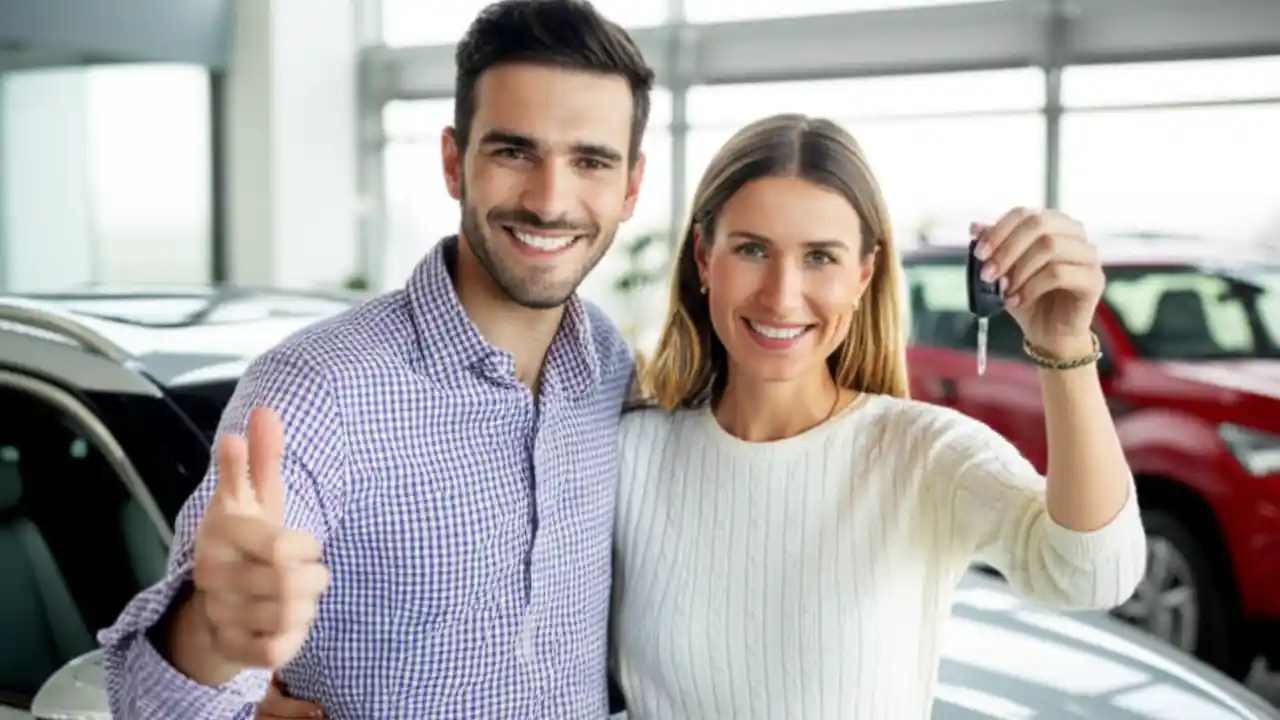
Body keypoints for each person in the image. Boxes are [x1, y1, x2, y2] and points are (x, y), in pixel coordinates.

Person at [258, 113, 1148, 719]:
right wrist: (268, 682)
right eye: (752, 249)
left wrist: (1063, 346)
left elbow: (1093, 573)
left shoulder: (920, 454)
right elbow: (476, 595)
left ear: (866, 274)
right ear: (704, 258)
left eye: (820, 257)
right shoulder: (631, 448)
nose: (782, 295)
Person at [95, 0, 653, 717]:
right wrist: (212, 631)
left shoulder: (610, 368)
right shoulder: (316, 390)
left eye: (590, 161)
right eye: (513, 152)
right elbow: (153, 703)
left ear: (630, 187)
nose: (549, 201)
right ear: (453, 163)